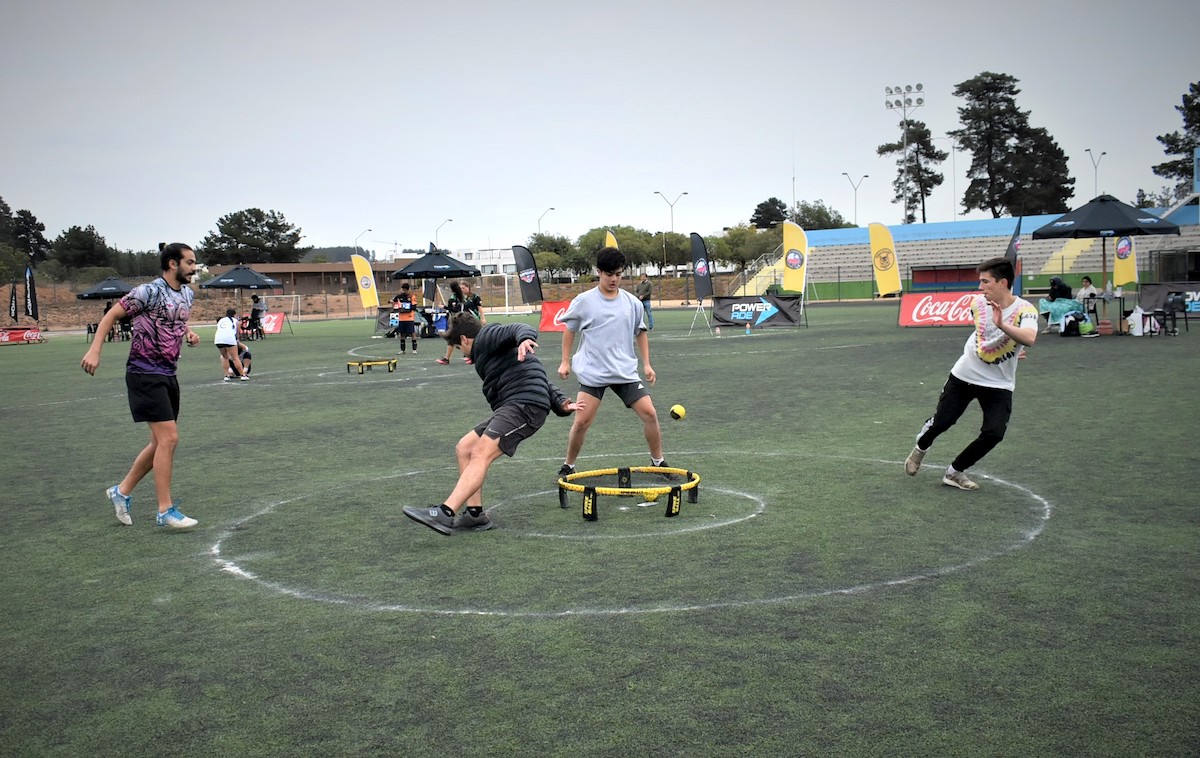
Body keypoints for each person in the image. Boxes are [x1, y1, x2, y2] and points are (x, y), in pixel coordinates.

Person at [402, 314, 584, 535]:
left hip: (525, 406)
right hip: (514, 404)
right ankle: (474, 515)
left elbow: (519, 327)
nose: (463, 354)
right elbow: (535, 374)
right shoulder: (491, 351)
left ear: (465, 339)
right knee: (465, 448)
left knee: (480, 452)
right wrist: (560, 402)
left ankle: (445, 512)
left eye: (459, 348)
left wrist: (525, 337)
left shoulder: (486, 336)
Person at [80, 242, 202, 528]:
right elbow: (111, 316)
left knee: (159, 442)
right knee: (170, 438)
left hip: (169, 374)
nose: (194, 268)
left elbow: (174, 319)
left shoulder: (187, 293)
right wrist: (95, 350)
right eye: (190, 262)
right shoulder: (147, 291)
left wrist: (190, 333)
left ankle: (120, 492)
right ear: (173, 264)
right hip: (144, 373)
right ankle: (165, 510)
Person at [904, 257, 1039, 491]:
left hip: (999, 383)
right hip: (964, 376)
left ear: (1002, 283)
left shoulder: (1025, 309)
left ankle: (955, 472)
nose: (980, 287)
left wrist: (1005, 329)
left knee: (994, 433)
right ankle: (919, 451)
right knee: (943, 422)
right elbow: (984, 338)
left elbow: (1029, 337)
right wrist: (1010, 347)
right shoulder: (977, 304)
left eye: (985, 281)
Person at [556, 247, 675, 480]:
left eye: (618, 274)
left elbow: (640, 332)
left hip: (624, 372)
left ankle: (658, 461)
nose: (614, 279)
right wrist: (564, 361)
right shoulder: (584, 301)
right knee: (581, 422)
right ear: (599, 272)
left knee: (650, 414)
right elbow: (569, 330)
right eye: (609, 274)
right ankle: (568, 465)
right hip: (593, 373)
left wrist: (647, 365)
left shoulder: (632, 303)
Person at [437, 281, 485, 365]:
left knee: (473, 339)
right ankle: (448, 358)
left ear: (468, 287)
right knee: (454, 339)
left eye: (463, 288)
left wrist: (482, 317)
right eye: (461, 288)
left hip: (471, 321)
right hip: (462, 321)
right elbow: (456, 309)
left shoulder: (474, 297)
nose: (462, 290)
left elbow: (479, 307)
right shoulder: (458, 298)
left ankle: (472, 356)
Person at [214, 307, 249, 382]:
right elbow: (237, 333)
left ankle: (226, 375)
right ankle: (243, 375)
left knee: (225, 357)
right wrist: (237, 341)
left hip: (218, 339)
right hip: (229, 338)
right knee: (235, 358)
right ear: (234, 315)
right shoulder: (236, 321)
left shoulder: (221, 320)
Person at [393, 283, 418, 355]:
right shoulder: (399, 297)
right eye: (403, 290)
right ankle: (402, 350)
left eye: (406, 290)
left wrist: (406, 309)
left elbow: (414, 307)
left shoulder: (412, 296)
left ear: (408, 289)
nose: (405, 292)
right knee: (402, 334)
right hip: (401, 319)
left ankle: (414, 349)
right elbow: (394, 302)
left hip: (409, 318)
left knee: (412, 333)